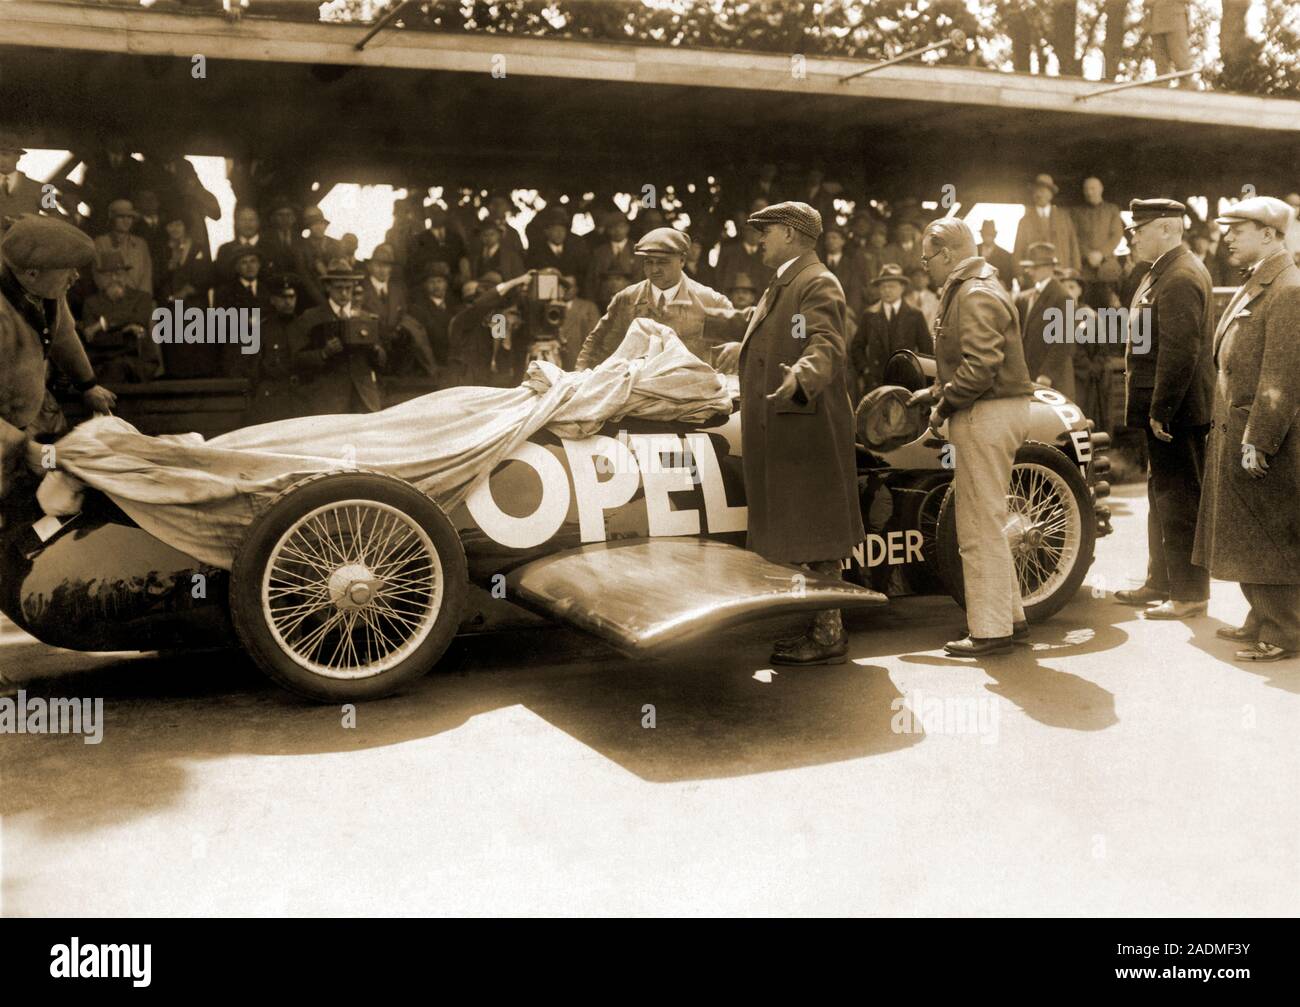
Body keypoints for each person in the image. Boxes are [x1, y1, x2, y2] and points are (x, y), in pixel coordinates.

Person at [707, 201, 864, 666]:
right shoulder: (787, 281)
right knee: (802, 529)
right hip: (790, 428)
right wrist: (741, 348)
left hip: (806, 429)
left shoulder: (815, 280)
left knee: (817, 532)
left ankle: (829, 634)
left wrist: (802, 375)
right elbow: (780, 333)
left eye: (767, 231)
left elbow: (827, 343)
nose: (759, 240)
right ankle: (820, 627)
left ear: (792, 235)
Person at [906, 218, 1035, 655]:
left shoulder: (974, 292)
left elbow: (980, 367)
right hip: (992, 409)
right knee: (990, 521)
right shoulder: (979, 286)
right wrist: (936, 390)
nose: (925, 267)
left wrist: (944, 404)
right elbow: (974, 363)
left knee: (978, 526)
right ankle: (1009, 618)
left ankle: (990, 631)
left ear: (947, 254)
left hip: (986, 412)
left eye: (927, 258)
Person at [1194, 196, 1300, 661]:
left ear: (1270, 235)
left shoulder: (1288, 288)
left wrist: (1259, 438)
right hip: (1236, 429)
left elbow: (1281, 375)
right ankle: (1261, 617)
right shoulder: (1262, 281)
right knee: (1247, 534)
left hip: (1259, 436)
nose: (1228, 237)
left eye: (1239, 229)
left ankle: (1285, 631)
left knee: (1266, 536)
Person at [1114, 198, 1214, 619]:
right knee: (1161, 496)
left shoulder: (1179, 276)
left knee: (1180, 500)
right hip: (1166, 409)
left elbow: (1180, 353)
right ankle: (1161, 580)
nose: (1133, 236)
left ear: (1168, 229)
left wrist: (1163, 409)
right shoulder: (1164, 272)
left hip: (1176, 412)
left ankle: (1190, 594)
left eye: (1140, 228)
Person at [0, 215, 116, 493]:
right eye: (67, 270)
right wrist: (17, 444)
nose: (76, 278)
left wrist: (87, 385)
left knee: (46, 490)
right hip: (6, 437)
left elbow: (63, 336)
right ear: (31, 273)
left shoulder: (47, 291)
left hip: (27, 421)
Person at [573, 227, 733, 371]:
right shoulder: (626, 299)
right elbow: (598, 345)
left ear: (682, 260)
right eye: (648, 262)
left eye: (663, 262)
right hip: (637, 393)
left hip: (690, 396)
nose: (654, 269)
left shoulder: (710, 302)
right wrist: (580, 377)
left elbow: (736, 346)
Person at [288, 259, 387, 415]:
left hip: (364, 399)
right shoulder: (311, 318)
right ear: (328, 287)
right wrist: (323, 353)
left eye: (348, 288)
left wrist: (374, 350)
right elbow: (296, 359)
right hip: (328, 400)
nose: (344, 293)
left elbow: (382, 362)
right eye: (339, 288)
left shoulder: (366, 319)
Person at [850, 263, 930, 400]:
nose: (887, 291)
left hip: (906, 385)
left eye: (891, 286)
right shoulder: (869, 315)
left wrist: (918, 376)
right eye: (883, 287)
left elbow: (927, 350)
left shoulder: (915, 315)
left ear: (902, 287)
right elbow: (856, 347)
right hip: (876, 383)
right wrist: (865, 369)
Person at [80, 250, 162, 383]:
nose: (114, 278)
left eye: (118, 273)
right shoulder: (91, 303)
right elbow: (92, 339)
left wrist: (102, 324)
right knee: (114, 368)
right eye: (108, 274)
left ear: (126, 275)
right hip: (104, 362)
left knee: (121, 368)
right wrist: (126, 330)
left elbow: (140, 320)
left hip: (138, 361)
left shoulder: (142, 298)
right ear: (101, 277)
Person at [1015, 242, 1075, 398]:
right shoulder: (1026, 297)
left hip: (1052, 379)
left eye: (1035, 267)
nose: (1029, 271)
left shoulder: (1062, 297)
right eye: (1029, 267)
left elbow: (1064, 341)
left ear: (1049, 268)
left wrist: (1047, 374)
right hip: (1030, 374)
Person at [246, 273, 305, 425]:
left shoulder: (304, 325)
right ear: (273, 300)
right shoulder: (262, 329)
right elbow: (253, 368)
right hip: (273, 399)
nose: (288, 302)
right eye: (283, 298)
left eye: (292, 297)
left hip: (301, 399)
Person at [1013, 173, 1081, 275]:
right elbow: (1018, 251)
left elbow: (1073, 244)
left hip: (1062, 273)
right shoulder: (1024, 221)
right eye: (1036, 191)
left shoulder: (1063, 218)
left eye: (1043, 191)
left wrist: (1076, 269)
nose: (1039, 195)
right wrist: (1019, 275)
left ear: (1051, 194)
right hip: (1035, 275)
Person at [1073, 176, 1124, 308]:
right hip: (1085, 271)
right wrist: (1087, 254)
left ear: (1101, 189)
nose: (1089, 192)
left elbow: (1117, 234)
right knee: (1083, 311)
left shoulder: (1112, 210)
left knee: (1111, 313)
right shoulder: (1077, 212)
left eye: (1093, 188)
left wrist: (1101, 254)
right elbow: (1074, 237)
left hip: (1108, 271)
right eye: (1086, 189)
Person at [92, 199, 153, 296]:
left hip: (138, 300)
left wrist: (144, 299)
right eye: (121, 217)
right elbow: (99, 273)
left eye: (129, 217)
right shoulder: (101, 242)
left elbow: (146, 275)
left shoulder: (141, 244)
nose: (126, 221)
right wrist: (114, 294)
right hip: (112, 299)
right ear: (112, 220)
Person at [556, 272, 599, 370]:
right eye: (563, 286)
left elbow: (596, 336)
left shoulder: (588, 307)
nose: (566, 290)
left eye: (569, 286)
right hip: (556, 360)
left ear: (576, 289)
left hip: (578, 361)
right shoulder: (549, 308)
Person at [0, 132, 46, 223]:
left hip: (26, 236)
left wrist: (35, 224)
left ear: (18, 157)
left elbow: (55, 215)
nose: (0, 159)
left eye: (5, 154)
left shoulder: (44, 188)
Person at [1148, 0, 1193, 83]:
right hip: (1157, 20)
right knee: (1160, 57)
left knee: (1180, 55)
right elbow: (1147, 3)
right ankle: (1162, 83)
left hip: (1175, 20)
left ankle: (1187, 82)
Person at [976, 219, 1015, 291]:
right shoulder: (973, 251)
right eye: (985, 234)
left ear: (995, 235)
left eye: (990, 235)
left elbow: (1008, 283)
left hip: (996, 292)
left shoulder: (1005, 256)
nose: (987, 237)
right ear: (981, 235)